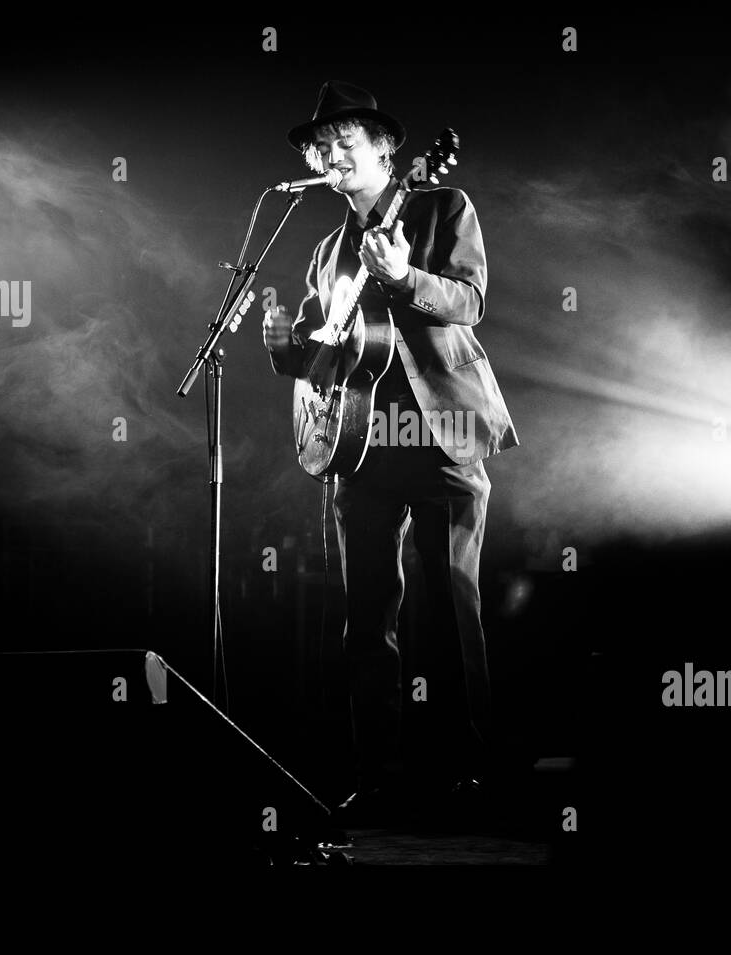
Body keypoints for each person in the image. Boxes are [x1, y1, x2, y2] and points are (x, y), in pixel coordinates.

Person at [264, 80, 518, 825]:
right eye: (320, 144)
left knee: (449, 608)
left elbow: (470, 302)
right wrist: (285, 348)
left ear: (387, 149)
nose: (328, 152)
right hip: (356, 442)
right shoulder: (324, 250)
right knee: (363, 613)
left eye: (345, 138)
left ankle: (464, 775)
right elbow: (320, 353)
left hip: (441, 431)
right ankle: (378, 776)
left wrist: (406, 276)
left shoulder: (442, 206)